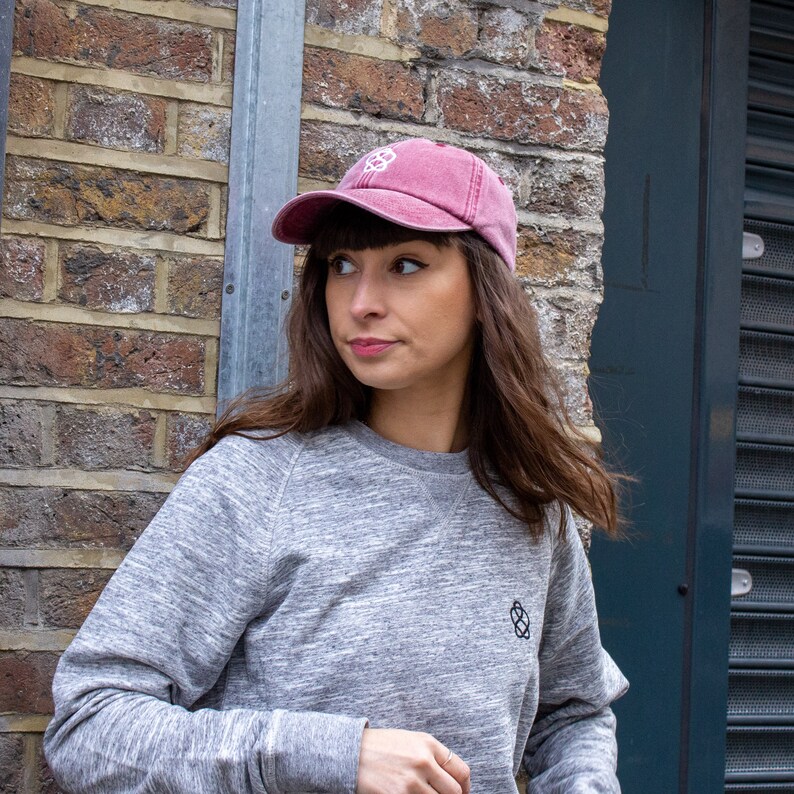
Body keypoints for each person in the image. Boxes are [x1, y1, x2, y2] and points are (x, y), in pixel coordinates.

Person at [44, 138, 628, 793]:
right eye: (343, 264)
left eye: (406, 264)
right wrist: (329, 756)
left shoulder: (528, 503)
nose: (360, 302)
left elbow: (574, 715)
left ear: (485, 290)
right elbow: (90, 728)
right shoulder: (254, 481)